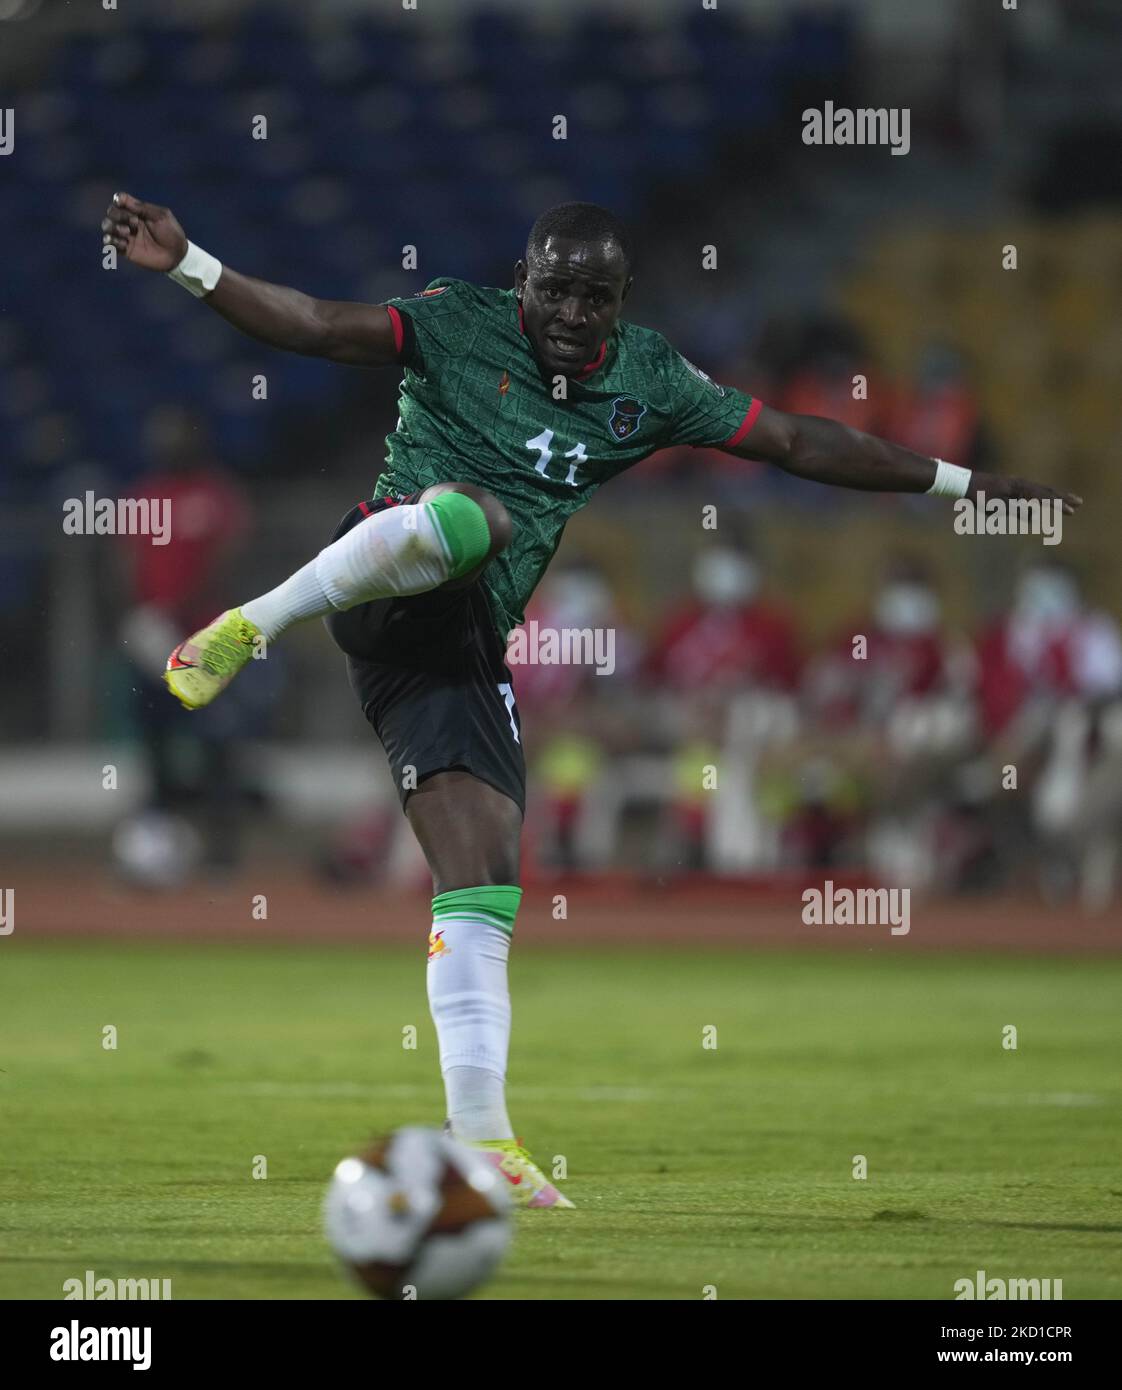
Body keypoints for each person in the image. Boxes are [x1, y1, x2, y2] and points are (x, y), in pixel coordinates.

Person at [101, 191, 1080, 1209]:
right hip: (383, 576)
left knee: (481, 880)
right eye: (556, 288)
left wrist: (970, 487)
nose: (572, 311)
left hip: (459, 649)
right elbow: (312, 321)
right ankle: (249, 624)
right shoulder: (455, 319)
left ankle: (484, 1142)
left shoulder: (652, 380)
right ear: (524, 282)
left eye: (594, 296)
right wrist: (189, 264)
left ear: (621, 302)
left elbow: (797, 441)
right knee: (471, 515)